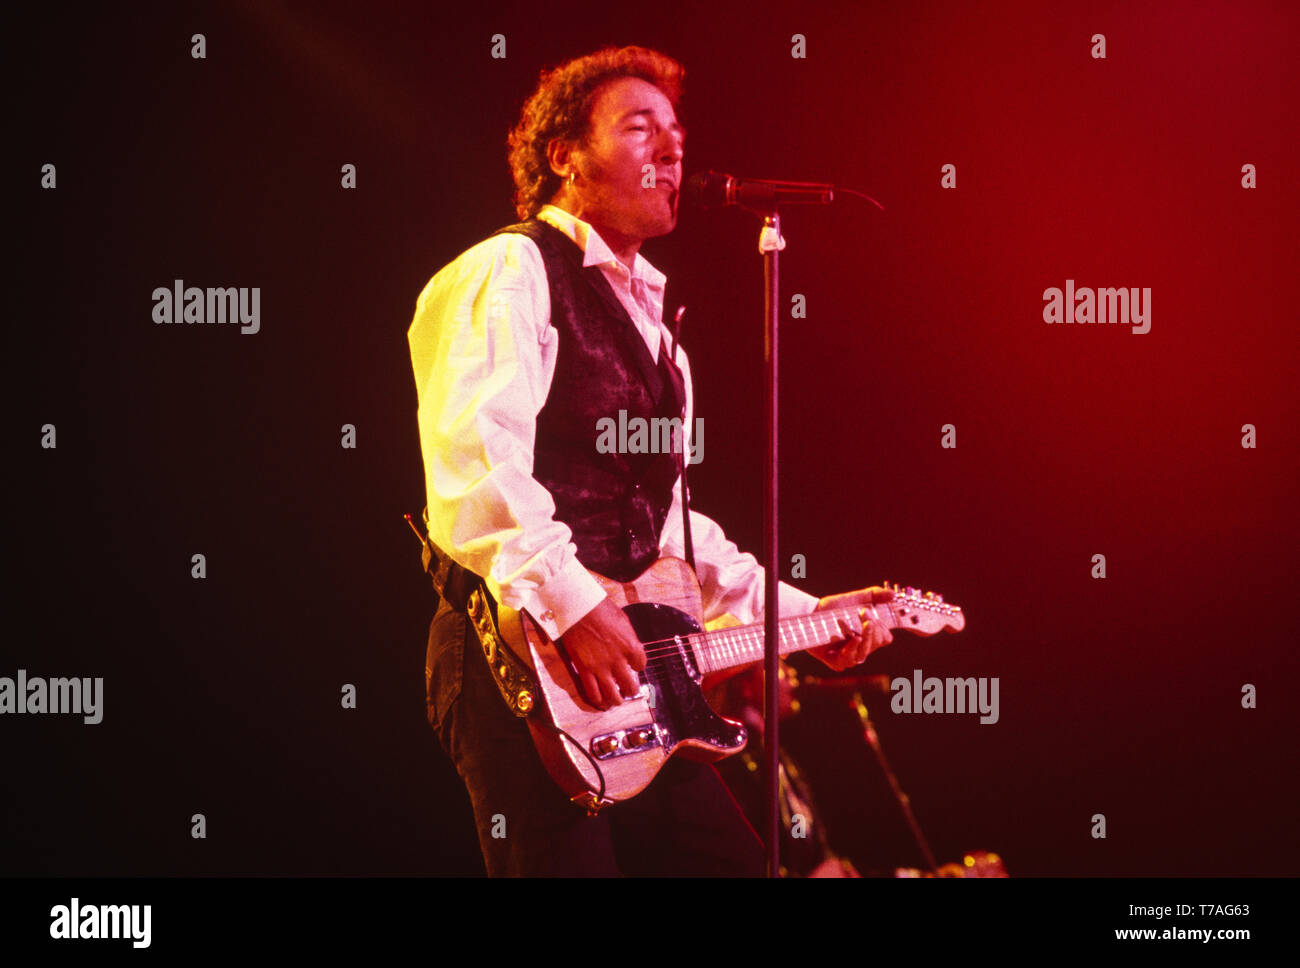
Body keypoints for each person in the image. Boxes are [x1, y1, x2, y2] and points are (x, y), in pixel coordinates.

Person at [407, 44, 893, 875]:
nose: (672, 149)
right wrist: (572, 606)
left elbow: (668, 533)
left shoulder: (659, 335)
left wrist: (808, 617)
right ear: (565, 155)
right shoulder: (511, 267)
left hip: (634, 673)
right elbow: (476, 464)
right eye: (640, 129)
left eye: (676, 133)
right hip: (516, 654)